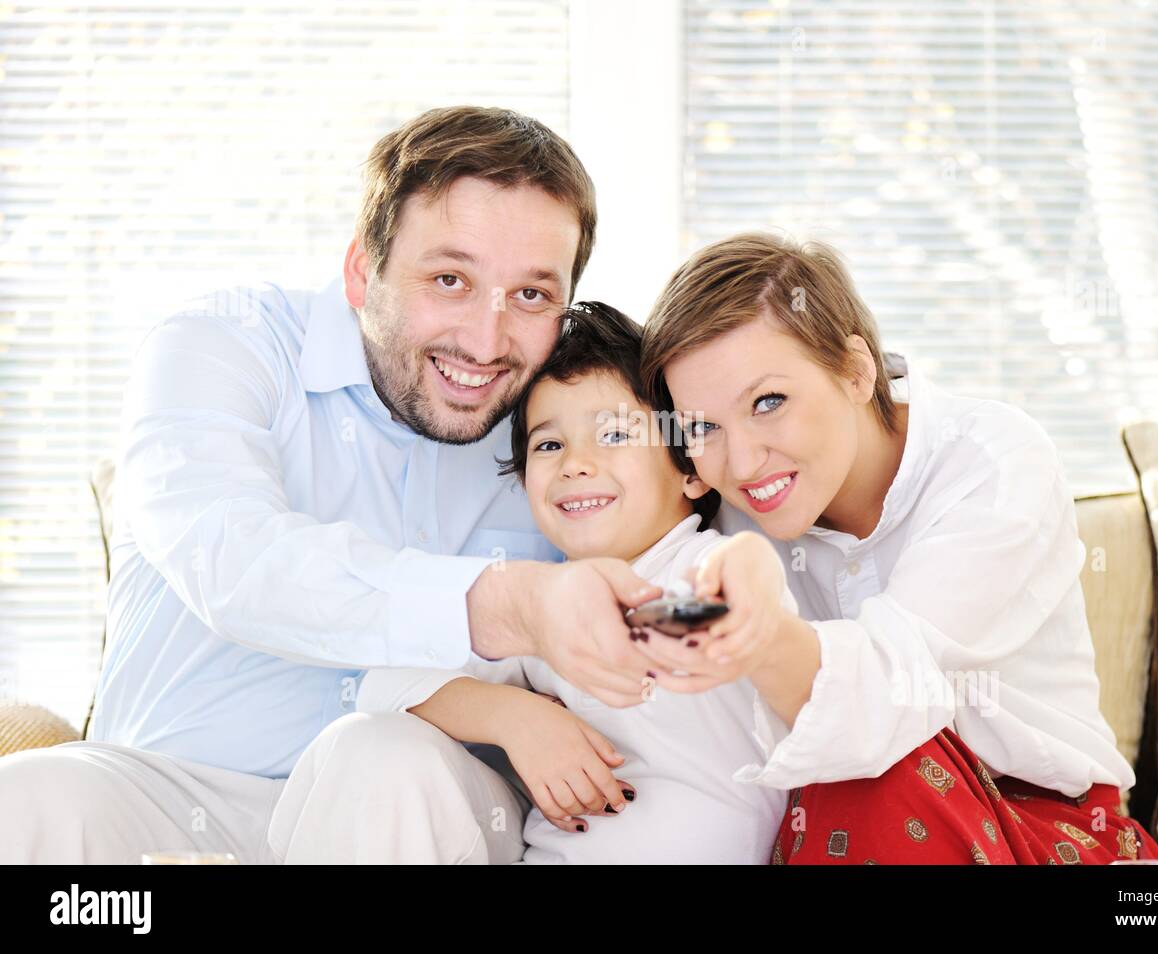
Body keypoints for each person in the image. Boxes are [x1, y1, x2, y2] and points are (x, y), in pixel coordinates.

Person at [0, 106, 670, 864]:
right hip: (171, 799)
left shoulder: (565, 425)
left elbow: (700, 518)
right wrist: (509, 603)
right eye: (449, 279)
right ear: (361, 270)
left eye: (531, 295)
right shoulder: (223, 344)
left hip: (414, 811)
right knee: (30, 797)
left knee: (383, 756)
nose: (486, 343)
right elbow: (233, 559)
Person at [632, 232, 1158, 864]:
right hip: (851, 830)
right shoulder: (726, 516)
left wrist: (757, 631)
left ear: (856, 371)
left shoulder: (993, 461)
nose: (744, 461)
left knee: (873, 770)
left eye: (768, 402)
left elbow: (890, 686)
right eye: (703, 428)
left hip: (1049, 827)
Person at [272, 302, 794, 863]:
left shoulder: (706, 566)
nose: (575, 463)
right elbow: (383, 688)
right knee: (364, 743)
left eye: (614, 434)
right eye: (548, 445)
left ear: (690, 468)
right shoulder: (542, 603)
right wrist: (516, 719)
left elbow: (740, 609)